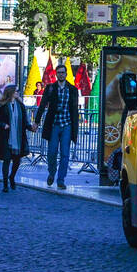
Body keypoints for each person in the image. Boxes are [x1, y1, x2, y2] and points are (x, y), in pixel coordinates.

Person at [35, 62, 79, 190]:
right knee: (52, 152)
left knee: (65, 154)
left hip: (67, 124)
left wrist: (75, 128)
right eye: (59, 72)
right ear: (56, 74)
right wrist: (36, 121)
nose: (61, 75)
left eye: (63, 73)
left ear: (66, 74)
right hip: (54, 124)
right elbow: (42, 105)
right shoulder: (50, 88)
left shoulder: (72, 90)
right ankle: (52, 172)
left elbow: (75, 110)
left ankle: (61, 179)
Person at [0, 84, 30, 191]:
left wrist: (31, 127)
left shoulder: (20, 105)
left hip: (18, 137)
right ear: (11, 92)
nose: (18, 93)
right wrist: (3, 125)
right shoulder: (0, 105)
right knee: (7, 159)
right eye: (16, 91)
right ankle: (5, 183)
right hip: (5, 137)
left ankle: (12, 177)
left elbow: (24, 121)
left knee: (17, 161)